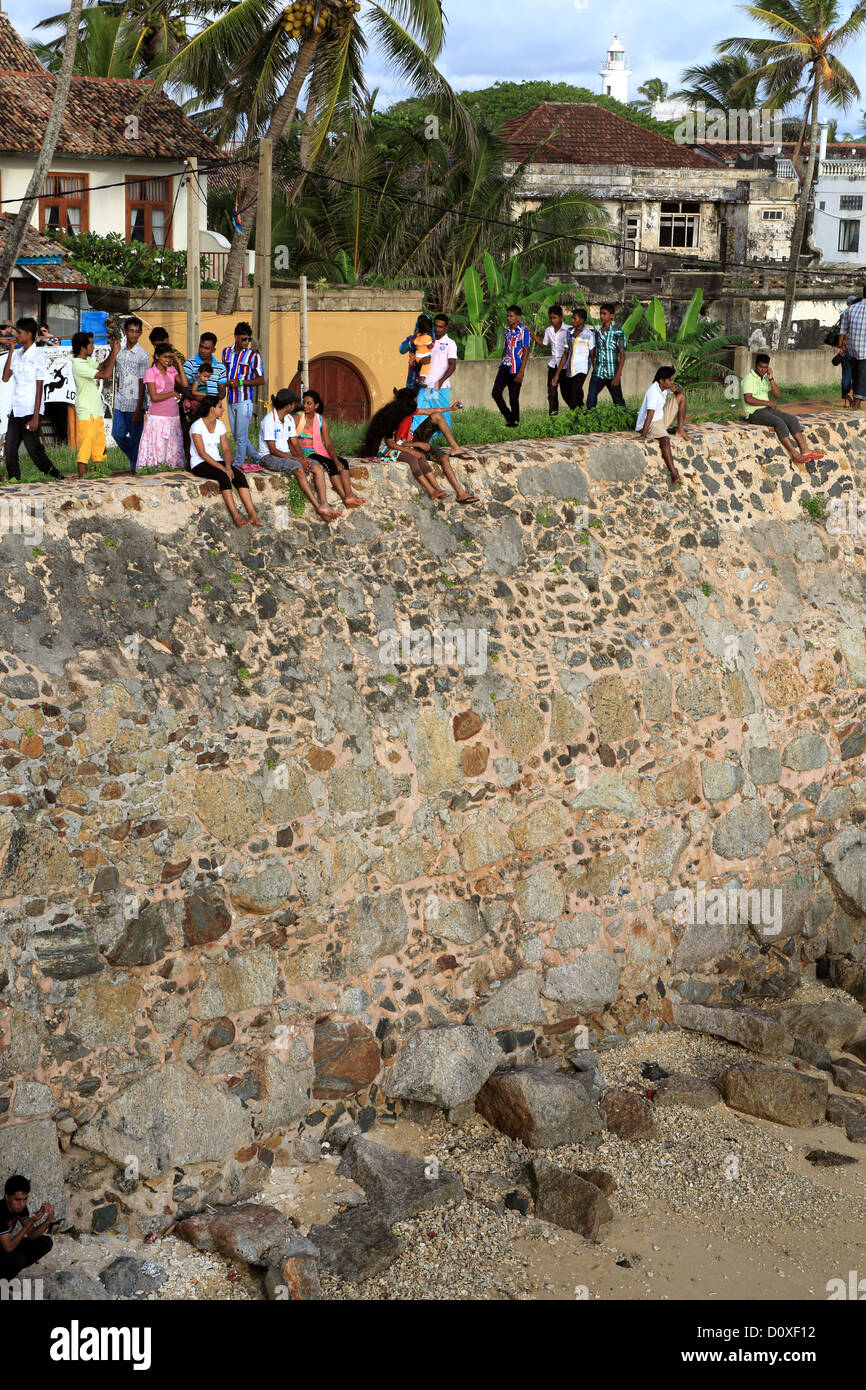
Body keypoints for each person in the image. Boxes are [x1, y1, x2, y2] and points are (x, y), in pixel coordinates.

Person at [363, 388, 479, 504]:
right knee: (415, 457)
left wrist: (450, 408)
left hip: (411, 442)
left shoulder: (408, 409)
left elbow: (429, 411)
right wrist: (416, 445)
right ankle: (433, 490)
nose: (416, 402)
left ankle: (459, 492)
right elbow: (393, 443)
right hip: (401, 446)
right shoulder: (393, 417)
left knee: (443, 454)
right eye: (415, 399)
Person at [258, 388, 340, 522]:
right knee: (298, 468)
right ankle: (318, 505)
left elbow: (295, 444)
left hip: (287, 453)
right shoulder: (268, 421)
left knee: (317, 467)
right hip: (268, 457)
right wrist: (297, 460)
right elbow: (272, 450)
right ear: (288, 405)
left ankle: (324, 503)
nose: (298, 405)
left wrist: (304, 459)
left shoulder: (289, 419)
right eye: (294, 403)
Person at [1, 316, 62, 482]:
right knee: (10, 450)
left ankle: (57, 476)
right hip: (17, 409)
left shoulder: (38, 357)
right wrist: (12, 350)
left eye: (19, 332)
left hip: (31, 410)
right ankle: (15, 481)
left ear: (28, 334)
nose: (16, 335)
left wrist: (36, 416)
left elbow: (39, 388)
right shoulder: (17, 355)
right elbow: (5, 377)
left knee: (34, 451)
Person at [189, 396, 263, 529]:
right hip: (199, 463)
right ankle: (236, 516)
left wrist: (228, 467)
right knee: (223, 477)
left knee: (239, 476)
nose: (222, 409)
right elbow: (202, 453)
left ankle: (253, 514)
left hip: (217, 461)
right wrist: (223, 469)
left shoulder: (220, 425)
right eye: (220, 406)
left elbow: (226, 449)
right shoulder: (197, 426)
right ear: (212, 409)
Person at [741, 354, 825, 465]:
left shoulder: (766, 378)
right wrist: (767, 402)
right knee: (779, 422)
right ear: (755, 365)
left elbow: (777, 395)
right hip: (754, 413)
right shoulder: (748, 379)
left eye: (765, 367)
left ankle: (804, 450)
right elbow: (748, 399)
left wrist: (771, 379)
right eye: (761, 367)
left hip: (767, 409)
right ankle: (794, 454)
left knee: (791, 419)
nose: (763, 370)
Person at [295, 389, 365, 507]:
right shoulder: (298, 417)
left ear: (316, 405)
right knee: (330, 464)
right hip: (304, 452)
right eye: (304, 402)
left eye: (309, 403)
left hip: (317, 450)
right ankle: (345, 498)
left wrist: (336, 460)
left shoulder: (321, 420)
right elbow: (291, 440)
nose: (305, 406)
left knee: (343, 463)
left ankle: (349, 494)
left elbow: (327, 444)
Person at [71, 329, 119, 479]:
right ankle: (83, 481)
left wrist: (112, 352)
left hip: (96, 411)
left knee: (99, 449)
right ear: (82, 348)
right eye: (91, 345)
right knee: (85, 449)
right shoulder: (78, 366)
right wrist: (115, 353)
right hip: (86, 412)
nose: (94, 347)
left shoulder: (86, 361)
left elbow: (102, 366)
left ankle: (100, 477)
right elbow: (105, 375)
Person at [635, 366, 695, 485]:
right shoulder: (653, 391)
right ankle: (674, 473)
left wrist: (675, 388)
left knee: (681, 397)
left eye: (672, 380)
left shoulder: (664, 388)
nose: (672, 382)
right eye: (670, 380)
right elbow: (650, 414)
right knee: (665, 440)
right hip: (650, 423)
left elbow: (680, 390)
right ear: (661, 381)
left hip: (660, 419)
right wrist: (643, 435)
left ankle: (680, 430)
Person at [221, 321, 265, 471]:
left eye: (249, 339)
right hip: (230, 399)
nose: (247, 342)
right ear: (236, 337)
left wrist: (240, 382)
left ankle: (238, 463)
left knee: (240, 436)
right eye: (244, 339)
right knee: (237, 435)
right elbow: (223, 372)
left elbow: (261, 379)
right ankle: (258, 458)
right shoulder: (226, 352)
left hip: (244, 400)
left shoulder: (253, 356)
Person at [137, 342, 187, 471]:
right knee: (158, 446)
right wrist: (172, 393)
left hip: (173, 417)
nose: (167, 360)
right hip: (157, 417)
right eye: (165, 357)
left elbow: (185, 384)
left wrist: (179, 363)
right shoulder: (150, 373)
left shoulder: (172, 371)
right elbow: (154, 397)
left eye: (170, 357)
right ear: (157, 356)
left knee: (171, 447)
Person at [112, 315, 149, 472]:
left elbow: (143, 382)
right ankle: (138, 457)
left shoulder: (143, 355)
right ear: (125, 332)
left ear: (140, 333)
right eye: (131, 331)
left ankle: (135, 467)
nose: (133, 334)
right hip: (121, 401)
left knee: (135, 438)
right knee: (117, 434)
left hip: (135, 402)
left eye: (136, 331)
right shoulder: (119, 352)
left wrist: (139, 408)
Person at [0, 1175, 54, 1281]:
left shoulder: (21, 1208)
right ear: (7, 1197)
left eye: (25, 1199)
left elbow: (32, 1234)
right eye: (17, 1200)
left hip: (4, 1250)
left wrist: (48, 1219)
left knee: (46, 1242)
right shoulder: (0, 1212)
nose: (22, 1204)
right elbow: (8, 1247)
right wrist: (31, 1222)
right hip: (3, 1248)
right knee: (18, 1260)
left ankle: (9, 1271)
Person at [492, 305, 531, 427]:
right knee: (496, 393)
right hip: (505, 365)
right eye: (508, 316)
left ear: (518, 317)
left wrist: (521, 372)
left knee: (513, 397)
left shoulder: (524, 331)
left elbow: (526, 351)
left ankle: (515, 422)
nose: (509, 318)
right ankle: (509, 417)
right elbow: (505, 348)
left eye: (511, 316)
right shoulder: (506, 331)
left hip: (517, 367)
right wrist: (502, 360)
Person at [529, 304, 569, 415]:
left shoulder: (568, 330)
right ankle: (553, 417)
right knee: (551, 393)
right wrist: (531, 333)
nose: (552, 320)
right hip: (553, 366)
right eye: (550, 318)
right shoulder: (549, 330)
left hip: (565, 367)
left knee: (566, 393)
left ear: (561, 317)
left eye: (555, 318)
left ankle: (576, 415)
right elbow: (543, 344)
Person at [553, 307, 595, 410]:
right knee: (568, 393)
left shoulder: (589, 335)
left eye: (574, 318)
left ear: (581, 320)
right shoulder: (569, 333)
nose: (572, 320)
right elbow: (565, 353)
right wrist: (557, 374)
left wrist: (595, 371)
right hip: (570, 369)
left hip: (582, 369)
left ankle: (576, 416)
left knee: (574, 392)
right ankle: (581, 412)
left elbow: (592, 354)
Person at [586, 302, 626, 408]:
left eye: (604, 314)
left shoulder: (618, 332)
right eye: (601, 313)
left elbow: (622, 354)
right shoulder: (597, 332)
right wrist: (594, 365)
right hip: (598, 372)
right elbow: (594, 350)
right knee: (591, 398)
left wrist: (618, 375)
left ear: (611, 316)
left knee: (618, 402)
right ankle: (589, 421)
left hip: (612, 373)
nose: (601, 316)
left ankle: (625, 422)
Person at [837, 294, 861, 407]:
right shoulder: (858, 315)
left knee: (846, 374)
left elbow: (841, 332)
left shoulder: (843, 315)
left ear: (847, 304)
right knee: (858, 373)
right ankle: (852, 392)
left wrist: (840, 346)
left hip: (845, 348)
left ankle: (846, 401)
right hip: (857, 348)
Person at [398, 314, 434, 390]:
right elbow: (401, 350)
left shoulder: (433, 340)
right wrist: (412, 341)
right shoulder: (412, 339)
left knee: (430, 400)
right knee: (413, 400)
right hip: (414, 378)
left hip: (431, 379)